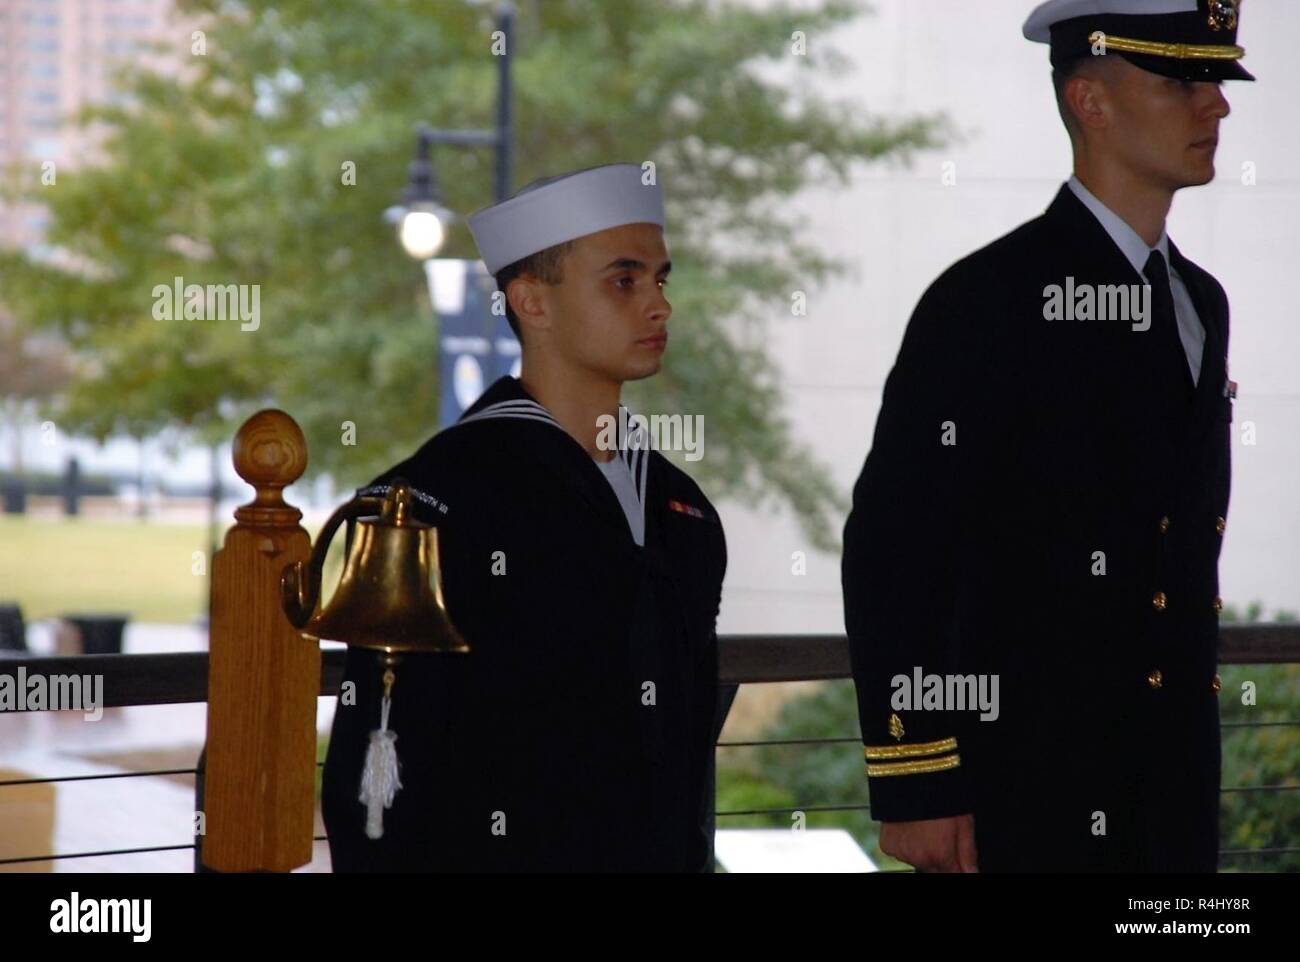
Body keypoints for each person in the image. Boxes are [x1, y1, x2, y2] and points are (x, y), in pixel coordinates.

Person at [842, 0, 1250, 872]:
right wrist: (919, 780)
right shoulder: (985, 302)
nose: (1215, 105)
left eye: (1215, 80)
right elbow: (895, 551)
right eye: (1183, 80)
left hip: (1170, 785)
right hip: (1024, 791)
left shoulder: (1201, 303)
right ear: (1090, 102)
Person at [322, 163, 728, 871]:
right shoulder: (432, 502)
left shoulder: (683, 511)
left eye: (661, 280)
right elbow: (380, 765)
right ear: (531, 302)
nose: (659, 306)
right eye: (623, 281)